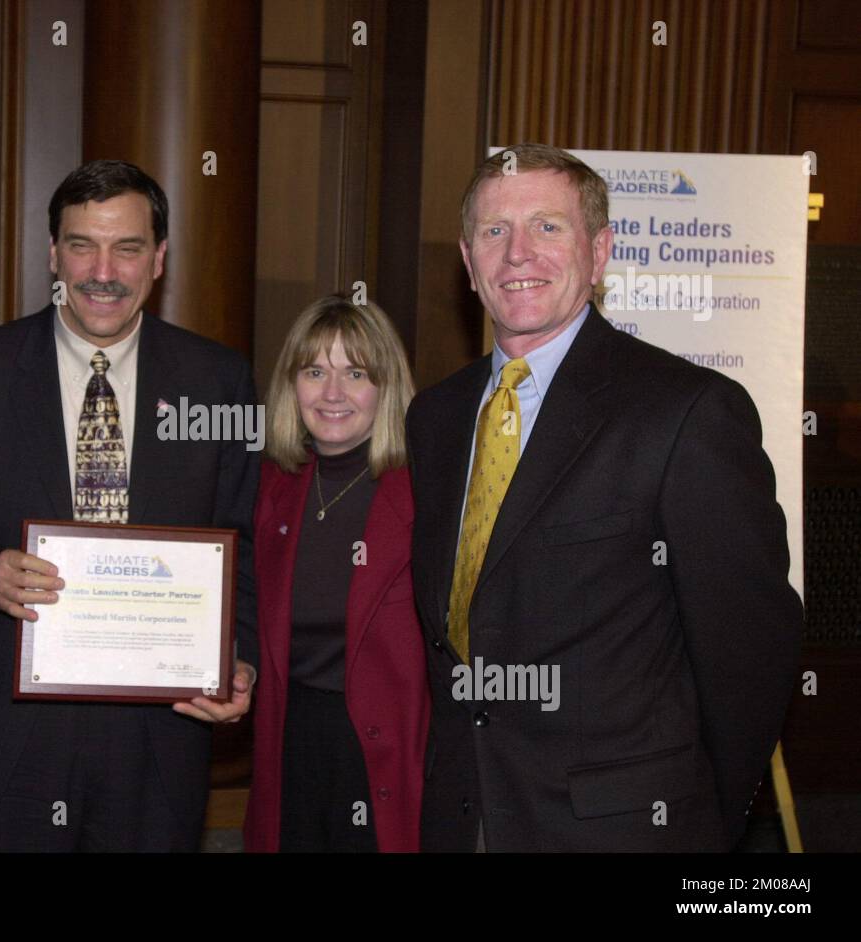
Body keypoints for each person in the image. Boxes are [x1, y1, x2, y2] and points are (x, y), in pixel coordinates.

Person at [406, 143, 802, 852]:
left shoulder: (686, 413)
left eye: (548, 227)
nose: (518, 254)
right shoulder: (434, 419)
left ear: (600, 250)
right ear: (468, 262)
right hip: (464, 817)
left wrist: (702, 821)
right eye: (495, 232)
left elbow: (750, 651)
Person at [0, 159, 259, 852]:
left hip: (161, 731)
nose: (102, 270)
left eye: (128, 248)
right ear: (53, 253)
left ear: (159, 258)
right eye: (82, 245)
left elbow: (247, 540)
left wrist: (240, 656)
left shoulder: (219, 382)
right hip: (10, 732)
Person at [243, 296, 427, 853]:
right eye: (315, 371)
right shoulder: (270, 487)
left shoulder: (428, 494)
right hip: (288, 752)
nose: (332, 393)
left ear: (386, 387)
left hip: (386, 760)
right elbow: (245, 609)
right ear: (291, 385)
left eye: (356, 373)